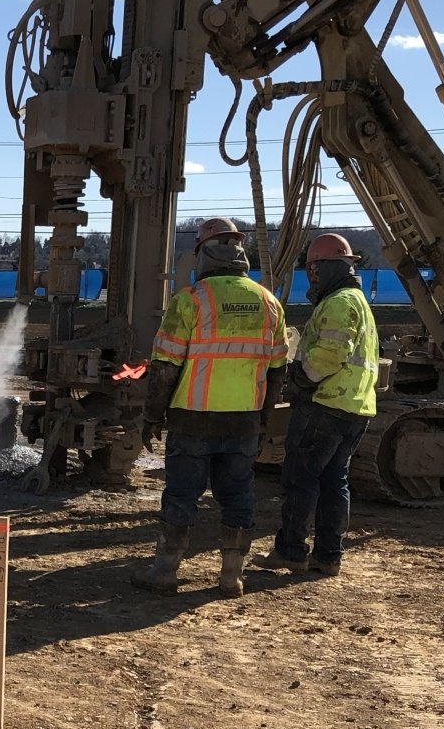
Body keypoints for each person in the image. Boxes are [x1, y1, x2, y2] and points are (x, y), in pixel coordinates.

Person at [133, 218, 289, 597]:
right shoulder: (269, 303)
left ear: (202, 253)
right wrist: (264, 421)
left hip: (192, 420)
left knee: (181, 495)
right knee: (238, 496)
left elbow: (165, 368)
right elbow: (277, 370)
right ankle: (232, 576)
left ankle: (165, 571)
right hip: (244, 421)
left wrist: (152, 416)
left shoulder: (190, 300)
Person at [255, 232, 379, 576]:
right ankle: (328, 555)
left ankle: (291, 551)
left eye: (312, 268)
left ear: (320, 267)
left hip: (324, 405)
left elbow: (329, 355)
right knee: (333, 481)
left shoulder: (338, 302)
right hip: (354, 407)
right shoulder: (358, 301)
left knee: (300, 478)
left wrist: (297, 379)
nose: (311, 276)